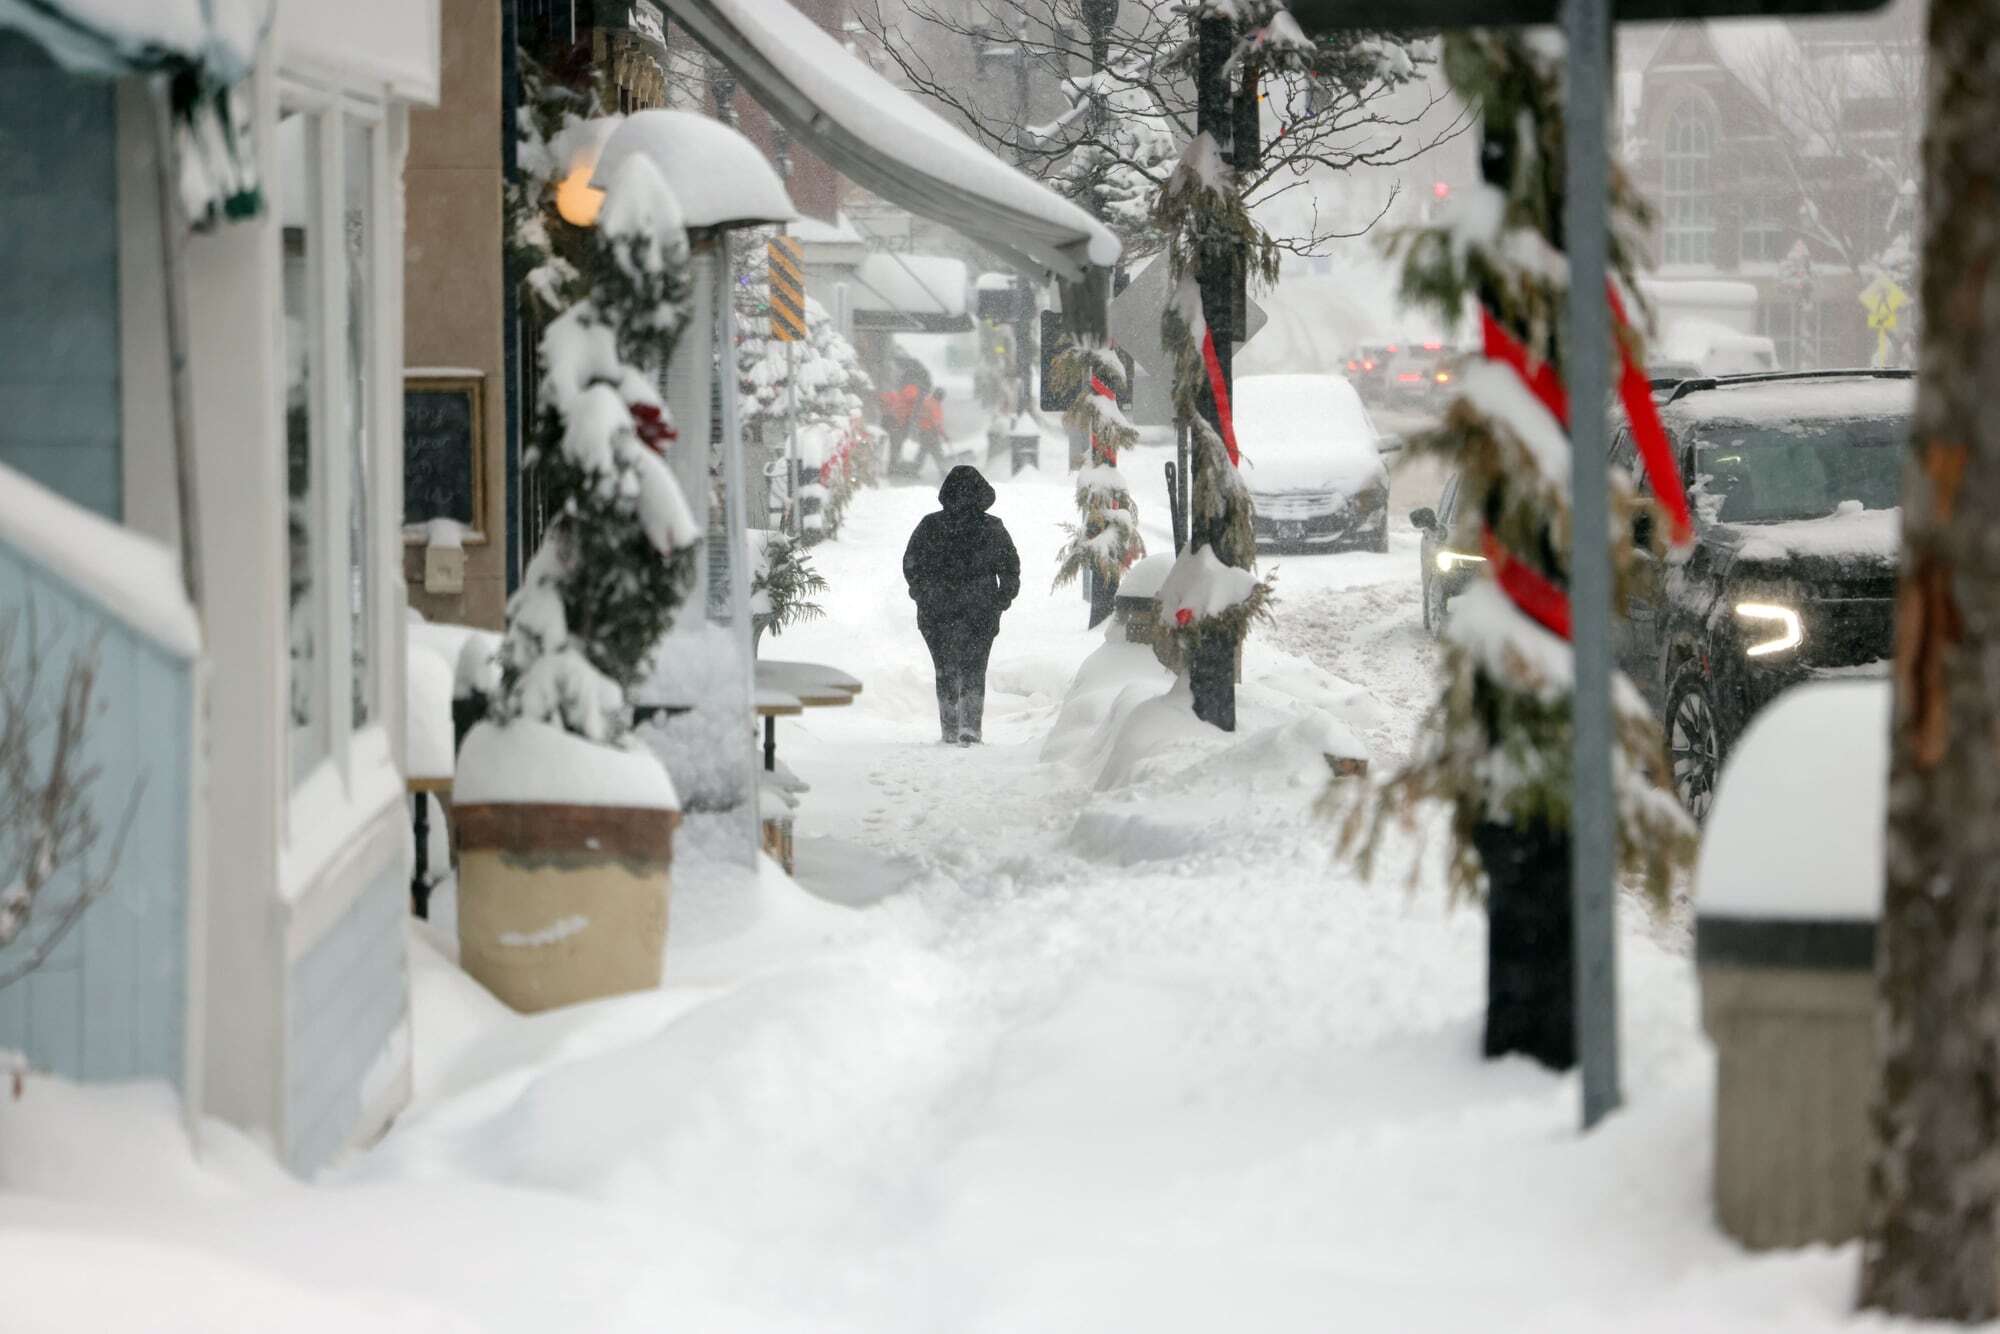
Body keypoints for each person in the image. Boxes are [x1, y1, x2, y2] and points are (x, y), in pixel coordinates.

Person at [902, 466, 1020, 745]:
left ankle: (950, 726)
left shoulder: (930, 525)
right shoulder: (993, 527)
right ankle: (970, 726)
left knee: (944, 667)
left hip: (937, 609)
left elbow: (911, 562)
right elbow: (1010, 567)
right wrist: (1003, 598)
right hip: (980, 608)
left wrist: (921, 592)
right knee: (975, 667)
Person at [912, 387, 949, 477]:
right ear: (940, 397)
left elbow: (920, 416)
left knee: (922, 451)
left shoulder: (927, 401)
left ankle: (914, 470)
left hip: (923, 431)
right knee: (937, 452)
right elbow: (937, 422)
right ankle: (943, 471)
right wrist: (944, 435)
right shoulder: (935, 405)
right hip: (931, 432)